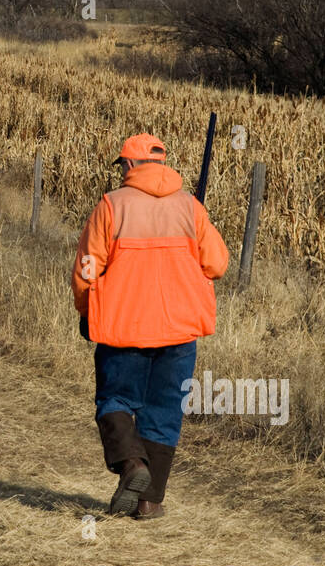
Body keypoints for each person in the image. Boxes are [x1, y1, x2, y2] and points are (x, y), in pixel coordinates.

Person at [71, 133, 229, 518]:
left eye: (122, 164)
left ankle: (132, 466)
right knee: (164, 412)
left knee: (115, 400)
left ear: (128, 165)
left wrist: (86, 311)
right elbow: (218, 264)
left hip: (123, 327)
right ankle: (149, 503)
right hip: (180, 330)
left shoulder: (111, 206)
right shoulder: (191, 207)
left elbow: (86, 269)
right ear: (160, 164)